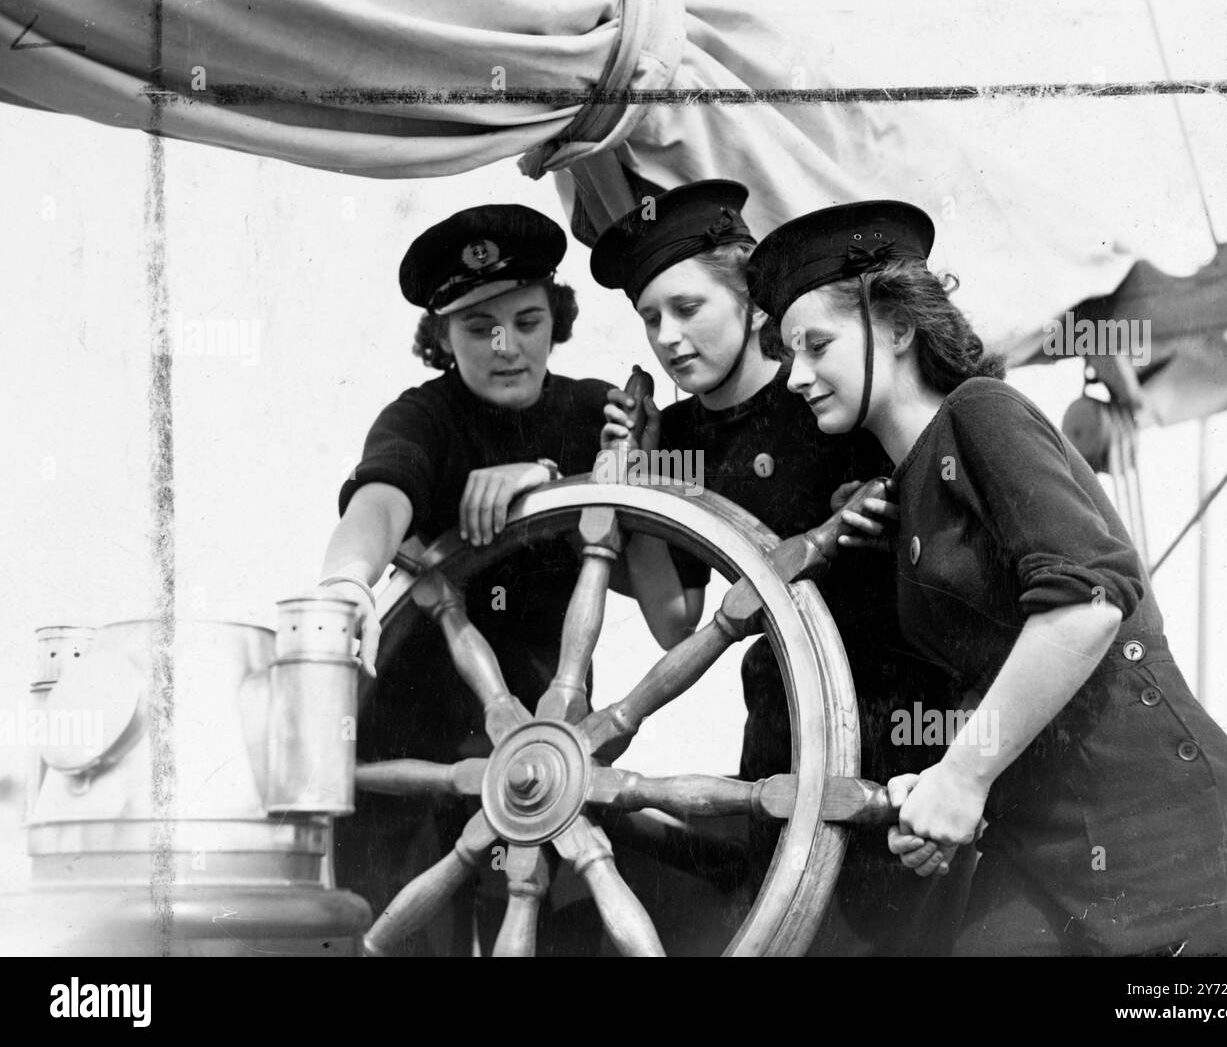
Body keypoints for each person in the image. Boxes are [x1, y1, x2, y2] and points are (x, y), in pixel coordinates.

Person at [747, 199, 1227, 956]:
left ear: (899, 327)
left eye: (816, 346)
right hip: (1038, 840)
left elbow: (1089, 605)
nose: (795, 377)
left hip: (1157, 831)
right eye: (786, 354)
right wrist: (942, 785)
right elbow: (990, 674)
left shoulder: (982, 412)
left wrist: (962, 779)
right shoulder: (911, 488)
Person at [589, 181, 970, 956]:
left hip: (906, 712)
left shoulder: (833, 390)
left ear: (751, 304)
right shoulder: (678, 436)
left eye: (688, 308)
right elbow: (674, 621)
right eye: (650, 318)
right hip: (784, 729)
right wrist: (631, 489)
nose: (667, 336)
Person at [319, 204, 611, 955]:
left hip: (545, 740)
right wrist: (348, 582)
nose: (506, 346)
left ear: (557, 318)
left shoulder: (590, 414)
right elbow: (380, 498)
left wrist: (545, 481)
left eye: (527, 320)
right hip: (410, 751)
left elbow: (651, 551)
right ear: (442, 338)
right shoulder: (423, 419)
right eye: (478, 329)